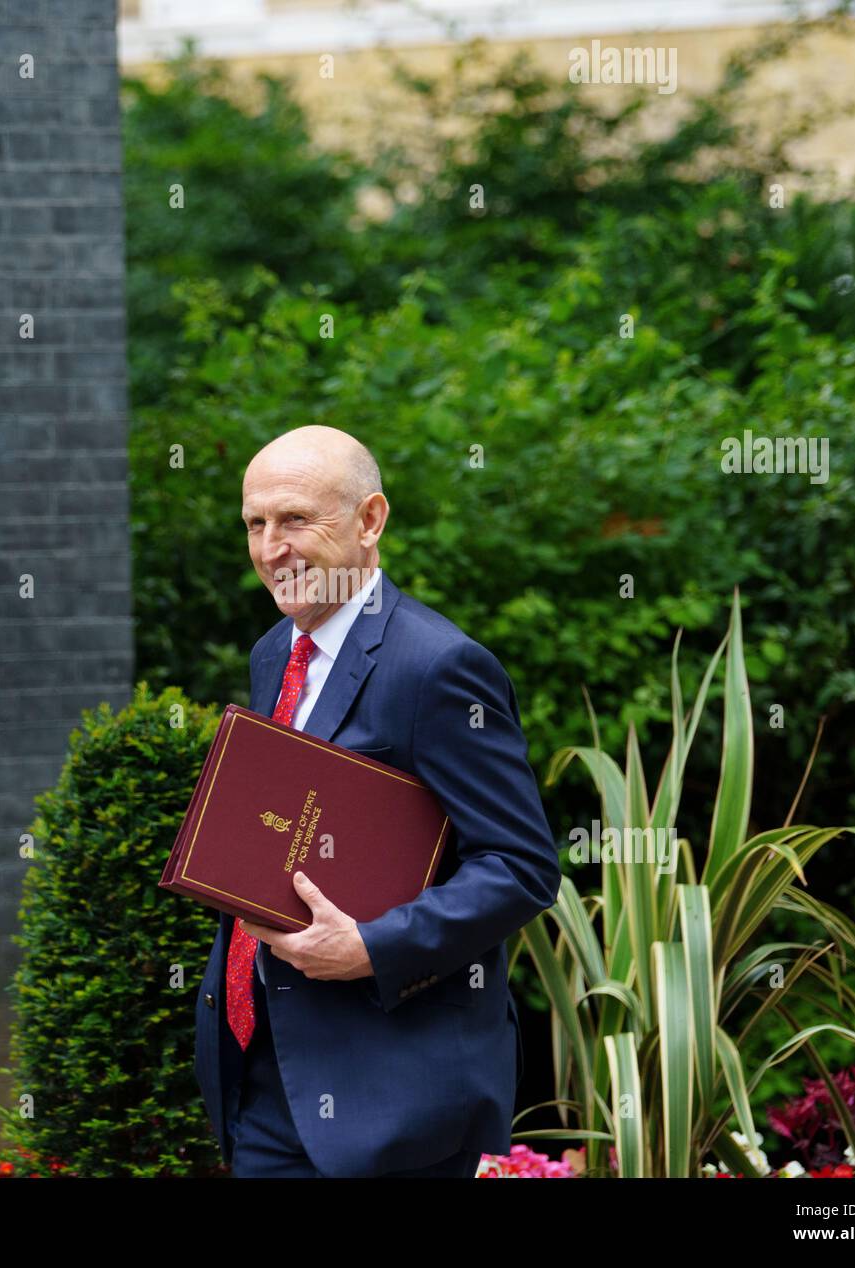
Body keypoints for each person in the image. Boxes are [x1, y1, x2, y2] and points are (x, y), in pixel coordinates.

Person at [193, 425, 560, 1178]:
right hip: (268, 1077)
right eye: (255, 525)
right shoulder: (274, 652)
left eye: (295, 519)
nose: (271, 548)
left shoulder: (439, 667)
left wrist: (371, 949)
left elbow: (522, 866)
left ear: (370, 520)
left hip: (390, 1102)